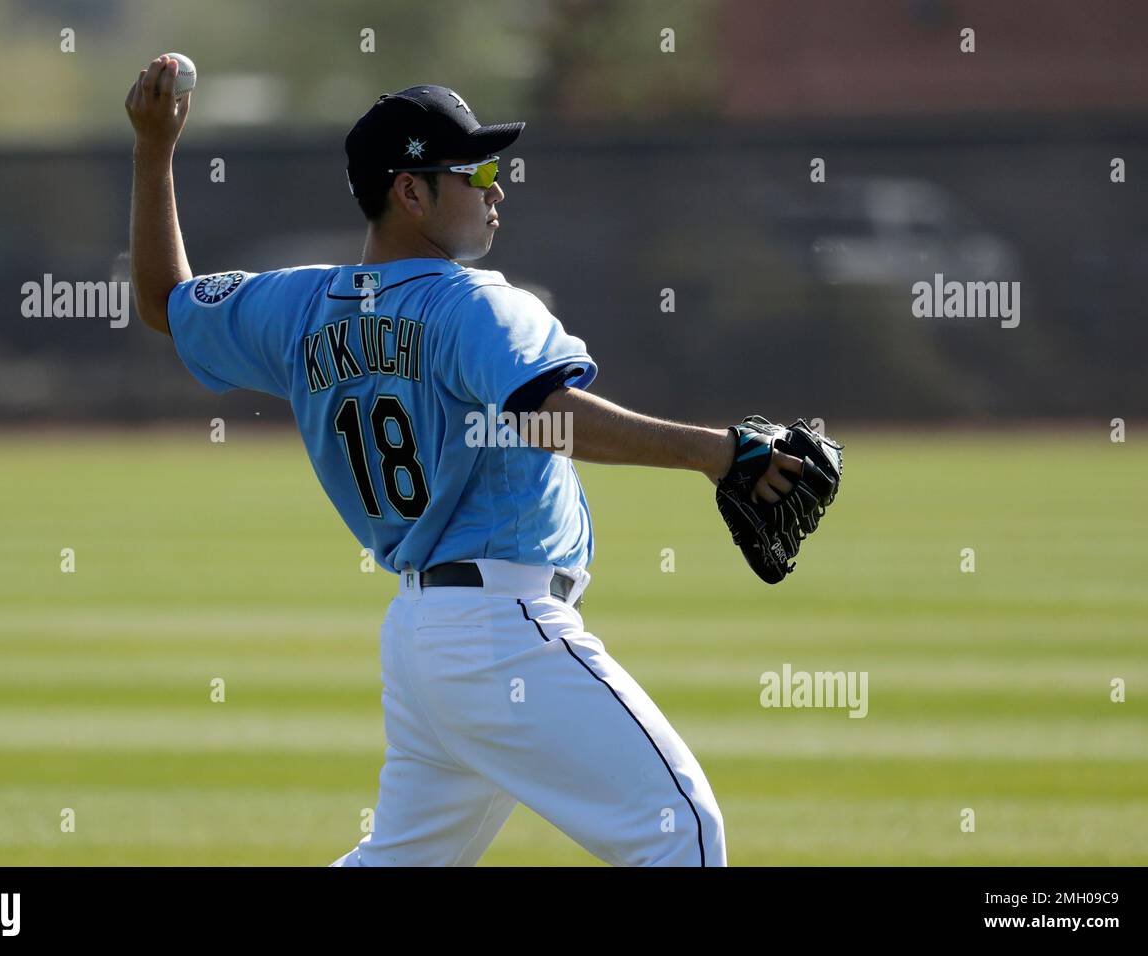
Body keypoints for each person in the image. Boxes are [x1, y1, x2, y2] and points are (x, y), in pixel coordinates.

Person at [126, 58, 804, 866]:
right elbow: (545, 415)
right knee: (683, 834)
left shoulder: (300, 308)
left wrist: (154, 149)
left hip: (423, 637)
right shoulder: (473, 302)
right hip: (500, 630)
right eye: (476, 170)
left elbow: (166, 300)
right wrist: (717, 453)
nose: (496, 187)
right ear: (411, 192)